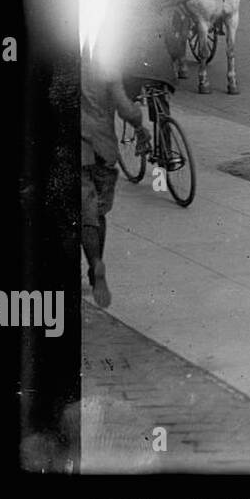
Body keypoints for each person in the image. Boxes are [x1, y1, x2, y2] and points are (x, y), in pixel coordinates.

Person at [81, 39, 148, 309]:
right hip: (103, 146)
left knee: (83, 212)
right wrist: (139, 124)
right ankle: (96, 267)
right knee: (98, 212)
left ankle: (94, 262)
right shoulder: (107, 65)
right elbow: (125, 108)